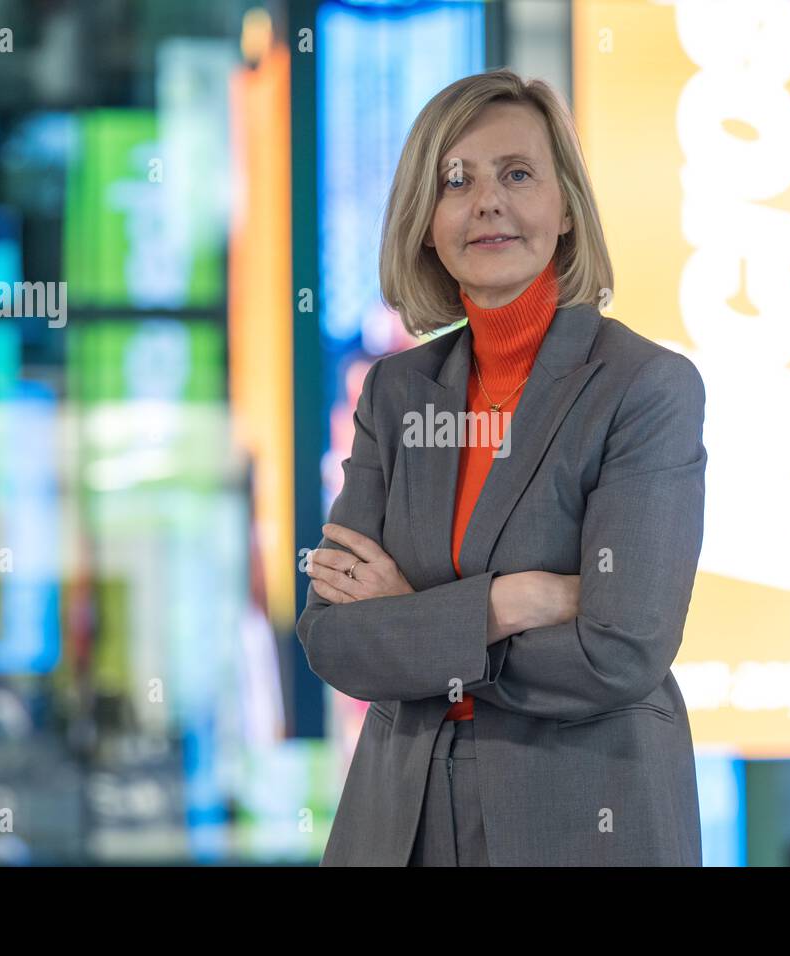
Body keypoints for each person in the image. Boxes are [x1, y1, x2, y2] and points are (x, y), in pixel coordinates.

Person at [296, 68, 707, 866]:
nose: (487, 201)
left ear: (564, 210)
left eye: (517, 174)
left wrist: (417, 619)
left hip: (585, 818)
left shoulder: (645, 388)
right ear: (426, 220)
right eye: (457, 181)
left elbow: (622, 648)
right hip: (399, 823)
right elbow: (334, 638)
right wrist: (510, 601)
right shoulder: (395, 390)